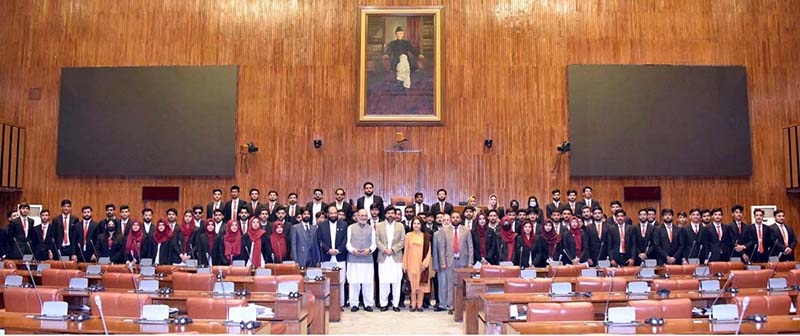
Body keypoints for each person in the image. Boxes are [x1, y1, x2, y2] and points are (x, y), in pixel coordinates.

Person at [434, 213, 473, 314]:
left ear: (460, 219)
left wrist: (470, 262)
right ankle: (451, 306)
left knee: (462, 284)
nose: (455, 219)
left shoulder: (466, 230)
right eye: (453, 217)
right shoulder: (445, 231)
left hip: (463, 261)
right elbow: (442, 248)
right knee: (450, 284)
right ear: (451, 219)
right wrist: (443, 262)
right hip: (450, 261)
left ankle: (461, 305)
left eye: (457, 217)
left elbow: (470, 247)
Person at [347, 209, 377, 312]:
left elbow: (374, 243)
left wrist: (369, 250)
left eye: (365, 216)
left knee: (367, 282)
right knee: (354, 282)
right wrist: (352, 250)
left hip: (367, 259)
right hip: (353, 258)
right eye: (361, 215)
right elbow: (347, 243)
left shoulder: (371, 228)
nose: (363, 217)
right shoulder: (350, 228)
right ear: (357, 216)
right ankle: (354, 304)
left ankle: (368, 304)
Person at [376, 206, 405, 311]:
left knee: (397, 281)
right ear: (385, 214)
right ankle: (384, 304)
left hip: (396, 257)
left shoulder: (400, 226)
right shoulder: (379, 226)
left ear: (395, 214)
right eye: (388, 213)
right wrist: (385, 249)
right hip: (383, 257)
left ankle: (395, 304)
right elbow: (377, 240)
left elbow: (402, 241)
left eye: (392, 213)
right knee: (383, 281)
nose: (390, 215)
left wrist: (393, 250)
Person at [318, 205, 348, 306]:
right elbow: (320, 240)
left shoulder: (344, 224)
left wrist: (338, 250)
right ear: (327, 214)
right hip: (327, 256)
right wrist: (328, 250)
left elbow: (345, 239)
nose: (333, 215)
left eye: (335, 213)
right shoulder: (322, 225)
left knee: (341, 281)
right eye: (331, 213)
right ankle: (327, 304)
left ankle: (340, 304)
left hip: (340, 256)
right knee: (327, 281)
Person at [403, 217, 432, 312]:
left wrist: (425, 264)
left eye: (418, 223)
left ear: (421, 225)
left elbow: (429, 252)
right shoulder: (408, 236)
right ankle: (413, 304)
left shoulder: (425, 236)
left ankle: (419, 305)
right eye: (414, 223)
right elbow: (406, 251)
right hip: (411, 263)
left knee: (421, 285)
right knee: (412, 284)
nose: (416, 225)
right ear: (412, 225)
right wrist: (405, 264)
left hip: (421, 264)